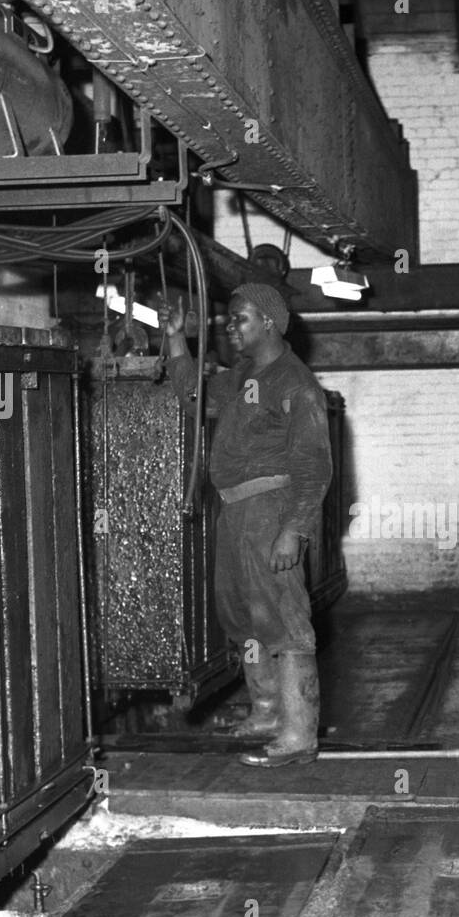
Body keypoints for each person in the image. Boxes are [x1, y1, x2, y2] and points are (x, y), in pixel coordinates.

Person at [162, 282, 332, 766]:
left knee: (285, 619)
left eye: (240, 318)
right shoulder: (243, 376)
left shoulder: (294, 383)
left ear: (270, 323)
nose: (230, 327)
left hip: (271, 510)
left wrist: (293, 528)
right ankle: (265, 712)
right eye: (230, 319)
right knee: (243, 617)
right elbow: (195, 397)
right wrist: (177, 340)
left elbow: (315, 464)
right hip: (235, 511)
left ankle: (300, 735)